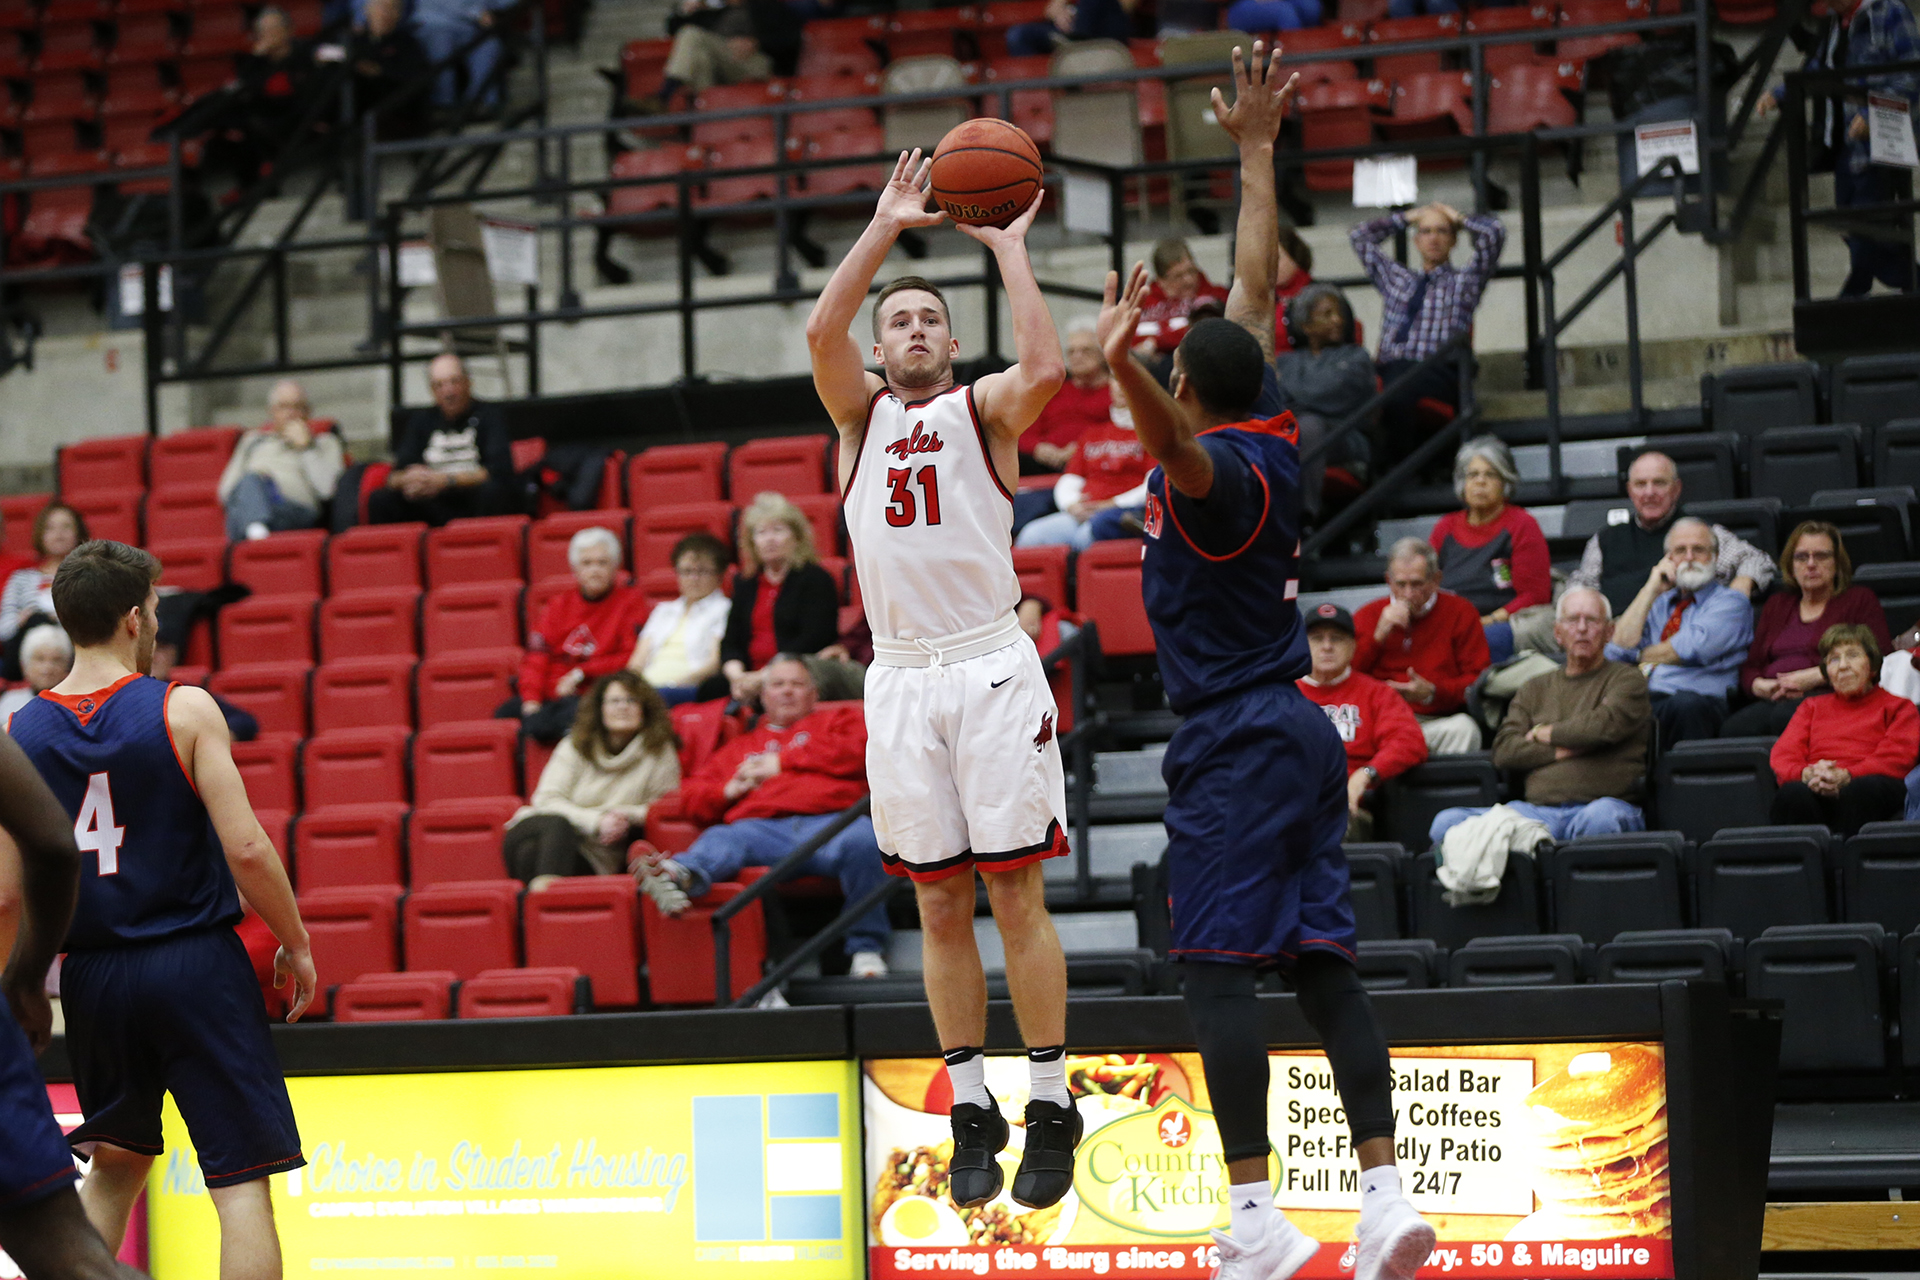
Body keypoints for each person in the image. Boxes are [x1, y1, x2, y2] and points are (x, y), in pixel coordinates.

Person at [1095, 42, 1435, 1279]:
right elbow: (1251, 288)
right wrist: (1253, 151)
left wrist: (1117, 358)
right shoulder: (1273, 423)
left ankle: (1258, 1218)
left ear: (1185, 388)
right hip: (1298, 723)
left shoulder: (1217, 469)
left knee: (1215, 972)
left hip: (1238, 733)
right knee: (1325, 971)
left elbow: (1174, 442)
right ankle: (1388, 1198)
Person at [805, 144, 1078, 1213]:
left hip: (989, 662)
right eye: (899, 321)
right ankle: (972, 1103)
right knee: (935, 900)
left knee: (1013, 887)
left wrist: (1008, 247)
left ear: (954, 343)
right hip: (903, 675)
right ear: (882, 347)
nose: (912, 330)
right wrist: (885, 228)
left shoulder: (985, 410)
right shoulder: (856, 416)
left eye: (929, 320)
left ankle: (1051, 1096)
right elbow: (821, 331)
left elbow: (1050, 367)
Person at [8, 540, 315, 1280]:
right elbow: (245, 849)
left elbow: (8, 889)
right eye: (153, 610)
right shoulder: (182, 707)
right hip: (193, 964)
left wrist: (20, 979)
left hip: (93, 975)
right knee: (240, 1181)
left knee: (113, 1166)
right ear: (131, 617)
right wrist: (295, 941)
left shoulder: (22, 731)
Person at [0, 730, 151, 1280]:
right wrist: (26, 976)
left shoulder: (35, 720)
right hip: (158, 963)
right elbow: (53, 845)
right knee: (76, 1259)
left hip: (112, 980)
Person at [640, 656, 891, 975]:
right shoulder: (740, 746)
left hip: (831, 824)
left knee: (866, 840)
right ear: (763, 697)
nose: (787, 691)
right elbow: (691, 797)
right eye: (778, 684)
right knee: (721, 838)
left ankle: (866, 950)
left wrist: (783, 762)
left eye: (797, 684)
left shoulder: (841, 719)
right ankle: (680, 877)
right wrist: (727, 791)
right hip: (761, 832)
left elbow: (860, 752)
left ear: (814, 695)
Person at [1428, 588, 1651, 849]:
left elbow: (1602, 727)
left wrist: (1541, 733)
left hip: (1605, 805)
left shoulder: (1627, 679)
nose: (1581, 628)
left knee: (1601, 820)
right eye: (1572, 620)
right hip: (1535, 813)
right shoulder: (1533, 688)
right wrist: (1566, 750)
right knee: (1446, 823)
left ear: (1609, 632)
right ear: (1557, 633)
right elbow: (1505, 751)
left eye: (1591, 620)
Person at [1758, 0, 1920, 296]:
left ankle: (1857, 288)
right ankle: (1908, 279)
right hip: (1846, 141)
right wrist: (1781, 93)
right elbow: (1819, 68)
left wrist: (1875, 114)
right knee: (1851, 219)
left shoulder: (1890, 11)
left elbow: (1912, 73)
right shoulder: (1835, 23)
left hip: (1883, 142)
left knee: (1866, 220)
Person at [1349, 202, 1504, 466]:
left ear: (1454, 240)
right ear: (1416, 240)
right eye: (1426, 231)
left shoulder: (1464, 283)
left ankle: (1393, 473)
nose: (1433, 238)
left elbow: (1494, 233)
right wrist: (1408, 217)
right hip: (1389, 369)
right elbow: (1359, 236)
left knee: (1395, 390)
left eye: (1442, 231)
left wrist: (1457, 216)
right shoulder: (1397, 280)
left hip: (1436, 370)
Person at [504, 672, 680, 891]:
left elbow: (664, 808)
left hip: (594, 854)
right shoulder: (575, 745)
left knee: (531, 854)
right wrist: (596, 821)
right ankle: (547, 911)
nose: (623, 707)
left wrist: (625, 815)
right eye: (614, 701)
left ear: (645, 709)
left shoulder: (659, 752)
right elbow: (546, 800)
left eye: (632, 700)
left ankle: (538, 911)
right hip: (541, 828)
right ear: (600, 708)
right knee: (557, 826)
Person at [1726, 521, 1891, 737]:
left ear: (1837, 564)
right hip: (1775, 698)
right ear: (1791, 565)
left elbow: (1879, 658)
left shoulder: (1858, 600)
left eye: (1821, 556)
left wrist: (1818, 675)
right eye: (1802, 557)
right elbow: (1751, 665)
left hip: (1831, 696)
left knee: (1785, 717)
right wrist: (1759, 686)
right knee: (1733, 729)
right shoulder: (1777, 604)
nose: (1811, 564)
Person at [1568, 449, 1774, 615]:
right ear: (1630, 491)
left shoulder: (1697, 534)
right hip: (1612, 636)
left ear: (1676, 489)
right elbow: (1580, 588)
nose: (1649, 493)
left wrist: (1739, 591)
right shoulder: (1604, 539)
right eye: (1641, 484)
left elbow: (1758, 561)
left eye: (1659, 483)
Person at [1605, 517, 1754, 744]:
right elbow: (1616, 649)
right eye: (1680, 551)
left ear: (1714, 557)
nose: (1690, 558)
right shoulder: (1659, 602)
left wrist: (1637, 657)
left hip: (1700, 704)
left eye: (1699, 550)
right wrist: (1650, 589)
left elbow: (1690, 649)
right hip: (1648, 699)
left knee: (1685, 705)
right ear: (1669, 559)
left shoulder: (1731, 602)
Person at [504, 527, 649, 744]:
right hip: (550, 695)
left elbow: (630, 656)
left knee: (556, 721)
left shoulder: (632, 603)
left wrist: (582, 672)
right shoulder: (557, 606)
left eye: (602, 563)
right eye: (587, 563)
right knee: (504, 714)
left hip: (596, 695)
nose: (595, 570)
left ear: (616, 567)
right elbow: (536, 658)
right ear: (575, 569)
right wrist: (531, 700)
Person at [1296, 603, 1427, 843]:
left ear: (1353, 645)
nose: (1327, 646)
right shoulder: (1284, 695)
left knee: (1329, 822)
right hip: (1290, 803)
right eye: (1317, 638)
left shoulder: (1376, 693)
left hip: (1349, 809)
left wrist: (1365, 774)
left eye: (1336, 638)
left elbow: (1409, 741)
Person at [1770, 624, 1918, 835]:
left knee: (1861, 791)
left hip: (1870, 787)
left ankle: (1852, 865)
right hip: (1816, 784)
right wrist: (1808, 774)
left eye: (1853, 655)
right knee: (1792, 793)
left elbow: (1898, 758)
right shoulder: (1811, 707)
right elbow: (1784, 754)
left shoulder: (1899, 707)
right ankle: (1808, 865)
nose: (1843, 666)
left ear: (1873, 665)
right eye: (1834, 659)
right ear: (1827, 672)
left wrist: (1848, 775)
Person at [1353, 538, 1491, 755]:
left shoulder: (1461, 612)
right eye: (1400, 584)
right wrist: (1377, 636)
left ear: (1436, 579)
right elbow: (1345, 675)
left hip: (1435, 719)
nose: (1408, 593)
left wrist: (1432, 692)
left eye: (1417, 584)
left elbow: (1478, 681)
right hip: (1380, 721)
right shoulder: (1367, 615)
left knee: (1465, 729)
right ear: (1389, 581)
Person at [718, 492, 853, 704]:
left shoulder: (815, 579)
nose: (769, 539)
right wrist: (738, 677)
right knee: (710, 688)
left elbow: (815, 639)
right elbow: (730, 642)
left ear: (797, 537)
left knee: (780, 689)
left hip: (795, 670)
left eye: (778, 530)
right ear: (752, 542)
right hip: (748, 676)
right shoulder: (745, 584)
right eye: (761, 532)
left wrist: (766, 676)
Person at [1429, 436, 1552, 663]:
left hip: (1502, 624)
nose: (1480, 482)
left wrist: (1491, 620)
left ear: (1505, 482)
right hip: (1450, 622)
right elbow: (1426, 583)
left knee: (1484, 639)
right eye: (1473, 475)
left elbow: (1535, 595)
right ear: (1462, 483)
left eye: (1490, 474)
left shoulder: (1522, 524)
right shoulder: (1445, 527)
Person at [369, 353, 519, 527]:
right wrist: (410, 479)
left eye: (454, 382)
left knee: (493, 492)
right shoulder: (421, 421)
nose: (448, 392)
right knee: (380, 499)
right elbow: (393, 477)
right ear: (432, 391)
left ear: (468, 382)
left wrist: (445, 480)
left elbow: (499, 470)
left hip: (470, 497)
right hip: (430, 500)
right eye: (439, 385)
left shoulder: (489, 415)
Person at [1274, 282, 1374, 522]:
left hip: (1346, 438)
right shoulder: (1286, 361)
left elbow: (1335, 396)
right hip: (1296, 431)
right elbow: (1274, 398)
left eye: (1339, 313)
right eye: (1327, 314)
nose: (1337, 320)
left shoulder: (1356, 357)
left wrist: (1294, 399)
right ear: (1305, 325)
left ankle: (1305, 517)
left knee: (1308, 426)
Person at [1014, 380, 1151, 551]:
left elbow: (1153, 485)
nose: (1120, 386)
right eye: (1116, 379)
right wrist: (1072, 505)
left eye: (1126, 378)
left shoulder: (1152, 434)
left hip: (1122, 514)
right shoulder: (1092, 433)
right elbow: (1070, 479)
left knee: (1084, 538)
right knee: (1031, 537)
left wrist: (1111, 504)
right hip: (1082, 512)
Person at [218, 380, 347, 542]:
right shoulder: (253, 441)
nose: (291, 413)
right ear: (272, 411)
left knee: (247, 496)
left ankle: (256, 533)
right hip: (256, 502)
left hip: (296, 512)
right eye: (284, 407)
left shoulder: (325, 442)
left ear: (308, 412)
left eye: (298, 407)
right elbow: (225, 491)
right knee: (250, 481)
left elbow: (328, 489)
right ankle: (257, 529)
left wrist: (306, 448)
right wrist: (260, 485)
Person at [628, 532, 731, 705]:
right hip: (647, 689)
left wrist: (674, 685)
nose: (693, 579)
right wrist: (628, 685)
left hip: (690, 687)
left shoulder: (725, 609)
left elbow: (714, 664)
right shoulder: (663, 610)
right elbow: (638, 660)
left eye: (702, 571)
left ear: (719, 576)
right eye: (686, 571)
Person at [1, 503, 86, 682]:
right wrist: (21, 621)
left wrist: (57, 619)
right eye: (50, 528)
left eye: (66, 527)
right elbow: (4, 628)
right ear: (40, 534)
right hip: (24, 650)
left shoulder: (88, 577)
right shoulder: (21, 578)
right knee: (35, 620)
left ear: (78, 533)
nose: (58, 534)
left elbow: (95, 625)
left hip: (75, 651)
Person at [1018, 322, 1109, 476]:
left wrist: (1083, 447)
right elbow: (1023, 431)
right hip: (1043, 463)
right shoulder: (1052, 389)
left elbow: (1123, 433)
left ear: (1103, 353)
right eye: (1071, 352)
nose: (1077, 357)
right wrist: (1038, 448)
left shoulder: (1117, 391)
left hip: (1094, 462)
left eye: (1085, 350)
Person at [1131, 239, 1231, 378]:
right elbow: (1131, 343)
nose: (1188, 280)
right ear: (1161, 281)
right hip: (1147, 370)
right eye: (1178, 276)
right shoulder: (1143, 302)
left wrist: (1155, 344)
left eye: (1191, 271)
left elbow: (1203, 332)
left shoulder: (1214, 295)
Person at [350, 0, 430, 137]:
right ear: (367, 11)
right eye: (381, 8)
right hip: (353, 109)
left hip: (393, 114)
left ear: (400, 14)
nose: (386, 14)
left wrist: (380, 71)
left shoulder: (408, 45)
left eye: (393, 9)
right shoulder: (353, 42)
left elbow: (418, 79)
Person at [412, 0, 511, 107]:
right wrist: (477, 13)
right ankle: (443, 104)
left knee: (490, 45)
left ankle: (480, 102)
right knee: (442, 50)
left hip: (469, 26)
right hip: (434, 22)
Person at [1005, 0, 1138, 57]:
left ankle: (1077, 43)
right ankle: (1035, 97)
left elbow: (1126, 7)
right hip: (1069, 30)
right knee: (1017, 35)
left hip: (1106, 30)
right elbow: (1051, 10)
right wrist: (1062, 14)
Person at [0, 624, 72, 728]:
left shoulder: (75, 703)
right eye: (40, 659)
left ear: (67, 666)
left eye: (56, 660)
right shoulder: (10, 700)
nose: (47, 669)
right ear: (24, 665)